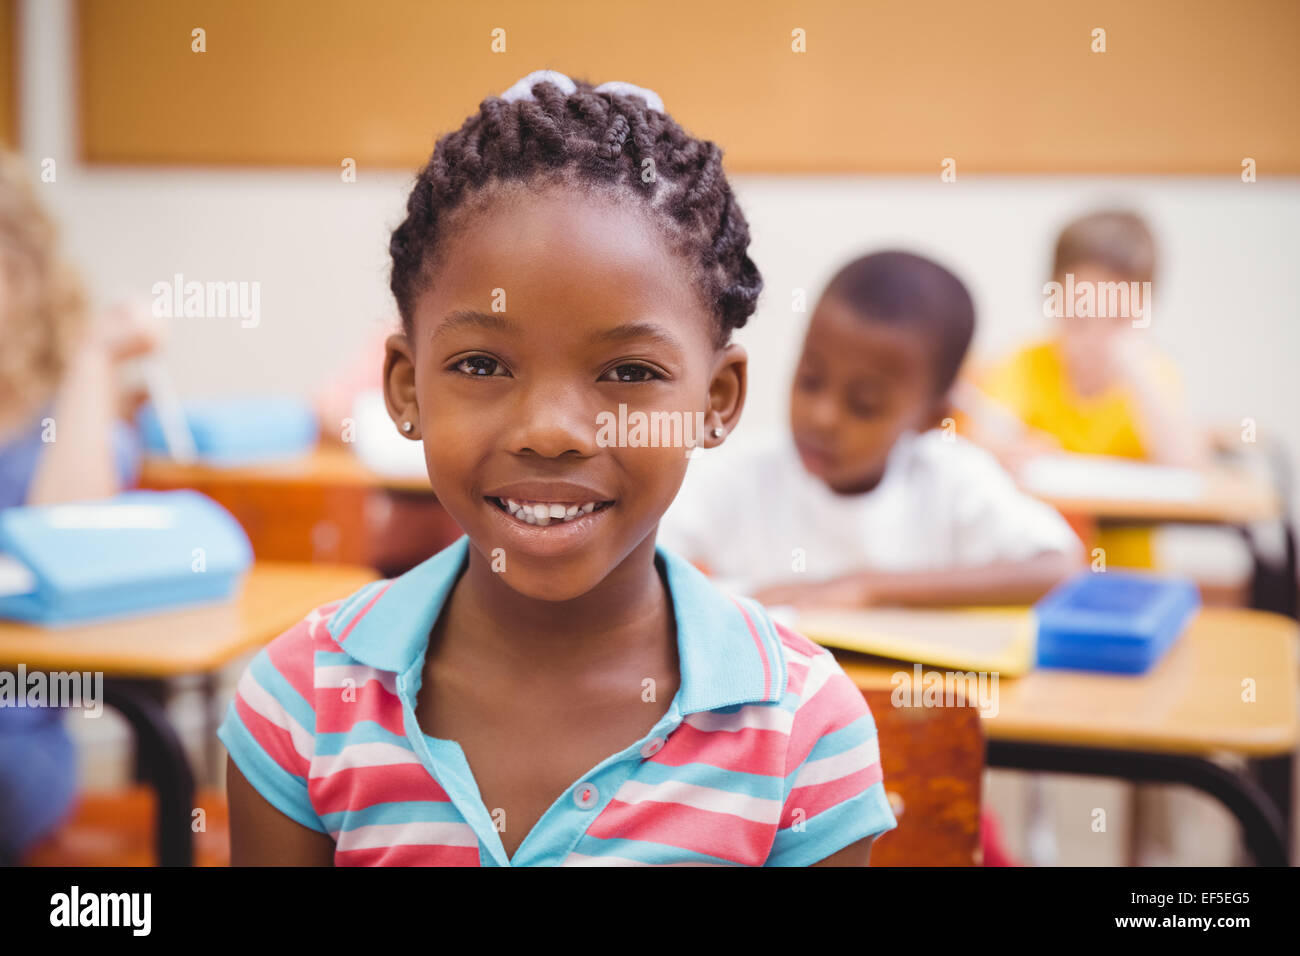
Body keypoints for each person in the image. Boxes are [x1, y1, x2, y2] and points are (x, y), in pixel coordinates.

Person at [220, 71, 897, 866]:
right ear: (406, 389)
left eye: (629, 372)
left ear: (717, 399)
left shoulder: (803, 733)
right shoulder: (304, 702)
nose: (550, 431)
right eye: (481, 364)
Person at [659, 250, 1082, 609]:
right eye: (810, 380)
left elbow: (1061, 566)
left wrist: (864, 588)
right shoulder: (742, 473)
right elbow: (644, 553)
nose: (822, 416)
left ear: (931, 419)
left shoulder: (952, 481)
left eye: (864, 406)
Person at [0, 150, 152, 863]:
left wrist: (95, 359)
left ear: (26, 279)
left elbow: (69, 543)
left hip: (14, 739)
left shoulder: (71, 415)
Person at [970, 209, 1210, 568]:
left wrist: (1139, 375)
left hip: (1129, 576)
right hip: (1037, 571)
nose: (1095, 339)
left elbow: (1189, 468)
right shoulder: (1024, 364)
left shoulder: (1153, 373)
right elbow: (980, 439)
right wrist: (1007, 449)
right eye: (1080, 318)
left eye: (1117, 320)